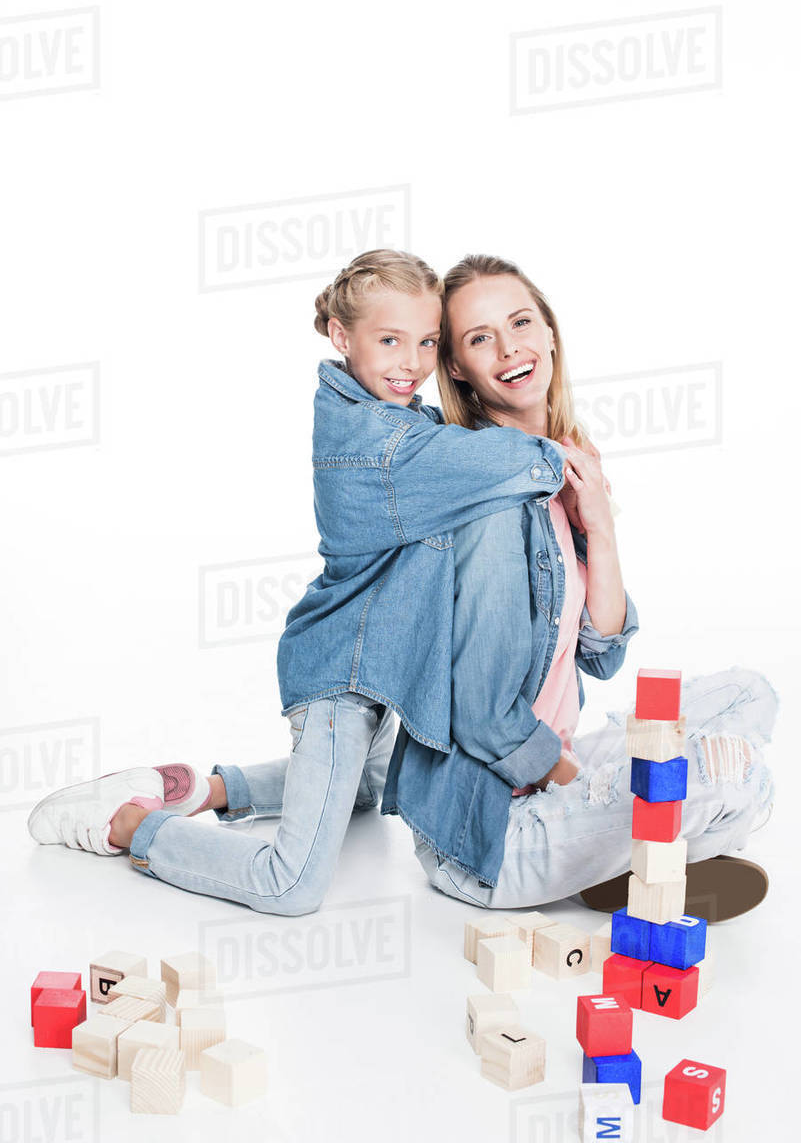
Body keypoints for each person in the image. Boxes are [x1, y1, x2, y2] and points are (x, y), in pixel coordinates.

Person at [26, 249, 570, 915]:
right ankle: (132, 824)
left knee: (367, 797)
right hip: (339, 678)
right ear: (343, 337)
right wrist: (568, 461)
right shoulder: (380, 442)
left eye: (427, 342)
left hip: (383, 679)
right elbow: (524, 459)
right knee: (289, 883)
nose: (411, 363)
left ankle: (205, 789)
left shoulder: (394, 418)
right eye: (389, 340)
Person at [382, 255, 777, 922]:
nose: (510, 348)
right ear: (456, 368)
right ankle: (631, 846)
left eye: (520, 321)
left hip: (552, 770)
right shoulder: (490, 497)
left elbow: (600, 651)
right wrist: (584, 784)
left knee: (750, 695)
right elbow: (479, 713)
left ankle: (621, 850)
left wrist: (597, 521)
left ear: (550, 332)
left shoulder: (558, 466)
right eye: (480, 338)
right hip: (490, 833)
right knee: (742, 778)